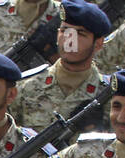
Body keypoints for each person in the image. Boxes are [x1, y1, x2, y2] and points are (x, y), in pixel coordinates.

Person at [11, 0, 113, 130]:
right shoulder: (25, 87)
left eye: (80, 34)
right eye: (65, 31)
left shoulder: (109, 97)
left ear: (98, 43)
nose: (70, 40)